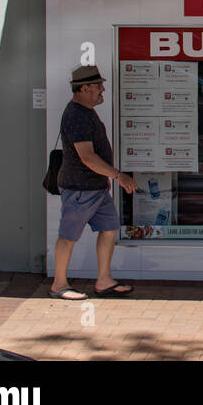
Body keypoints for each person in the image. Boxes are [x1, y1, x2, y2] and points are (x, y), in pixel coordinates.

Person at [49, 65, 138, 300]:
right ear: (84, 88)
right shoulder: (76, 115)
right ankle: (59, 285)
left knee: (109, 229)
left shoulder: (87, 111)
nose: (103, 89)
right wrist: (118, 176)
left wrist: (106, 178)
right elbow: (87, 157)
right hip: (80, 189)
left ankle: (104, 280)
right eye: (98, 86)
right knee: (68, 236)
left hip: (96, 187)